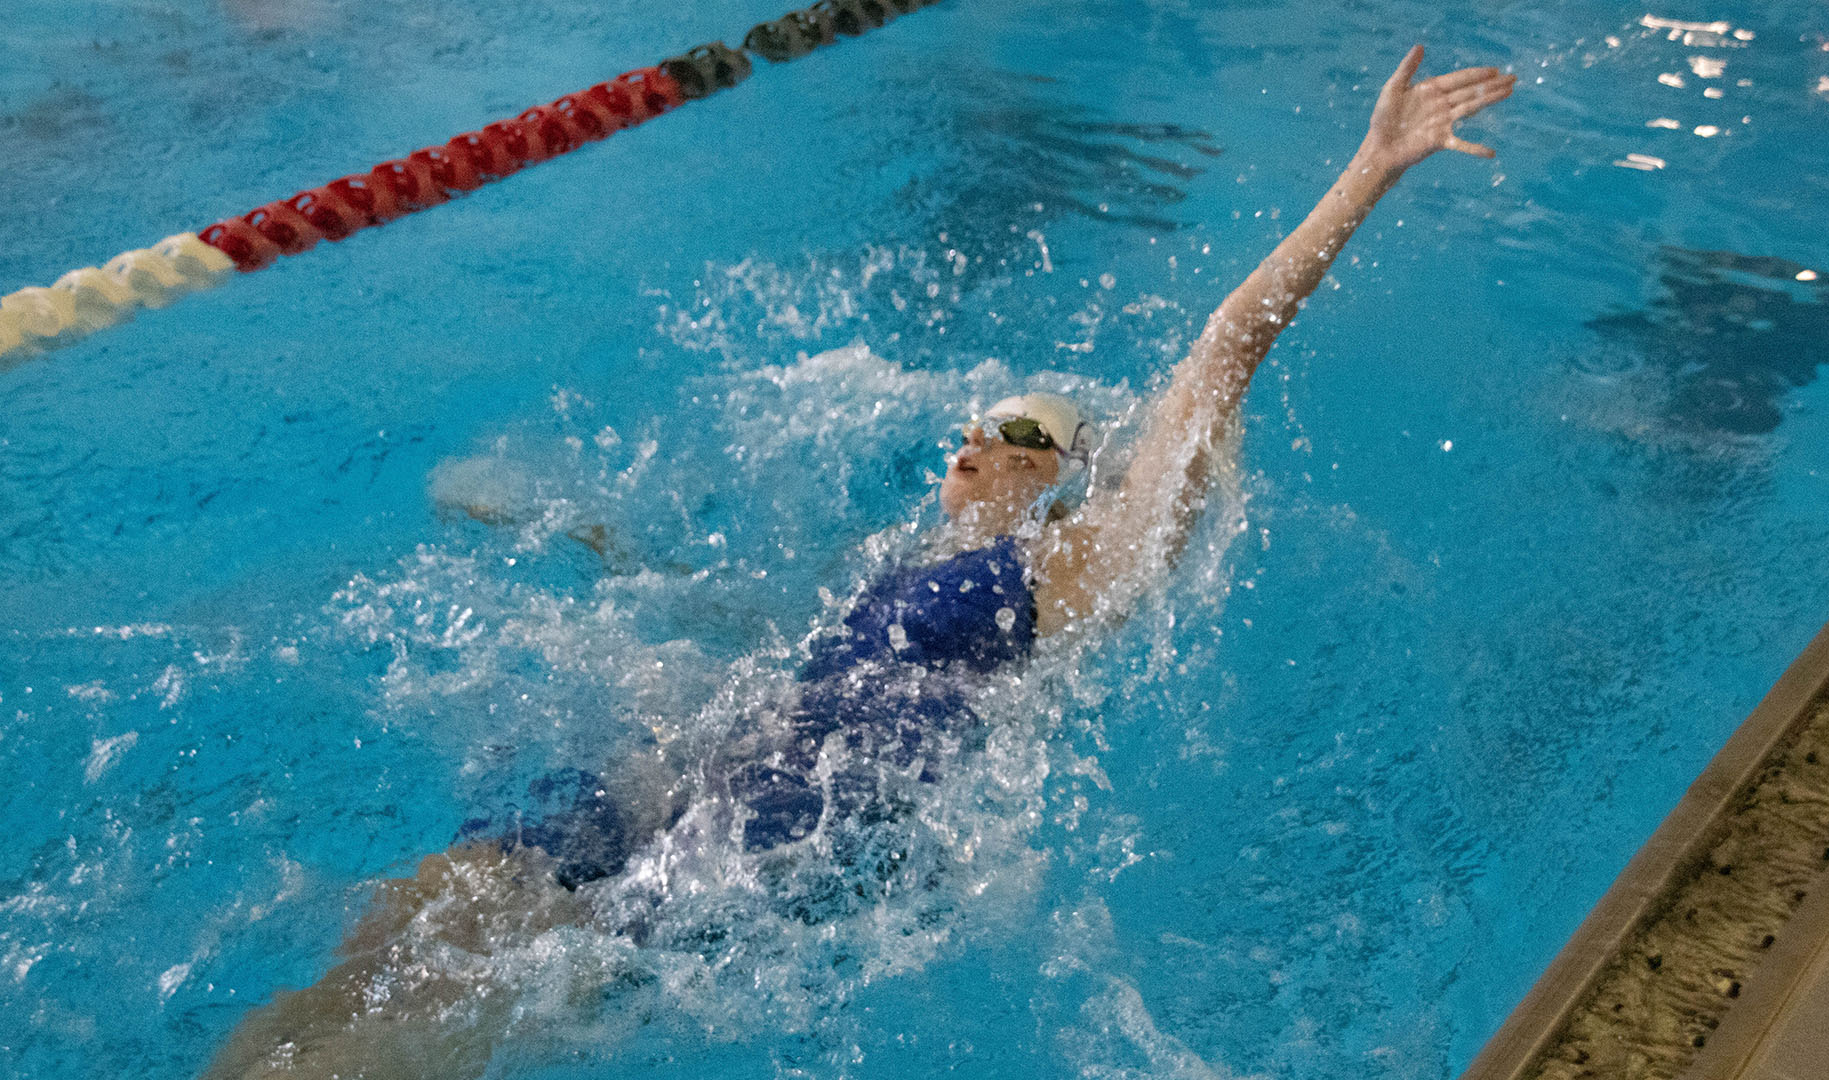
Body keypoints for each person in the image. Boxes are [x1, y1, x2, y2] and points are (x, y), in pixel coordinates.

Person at [203, 46, 1514, 1080]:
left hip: (770, 831)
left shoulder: (1079, 569)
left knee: (477, 992)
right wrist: (587, 542)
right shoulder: (901, 562)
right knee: (438, 898)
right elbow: (753, 636)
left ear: (1058, 471)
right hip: (696, 766)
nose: (972, 441)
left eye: (1012, 431)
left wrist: (1365, 175)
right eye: (972, 422)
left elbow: (1219, 361)